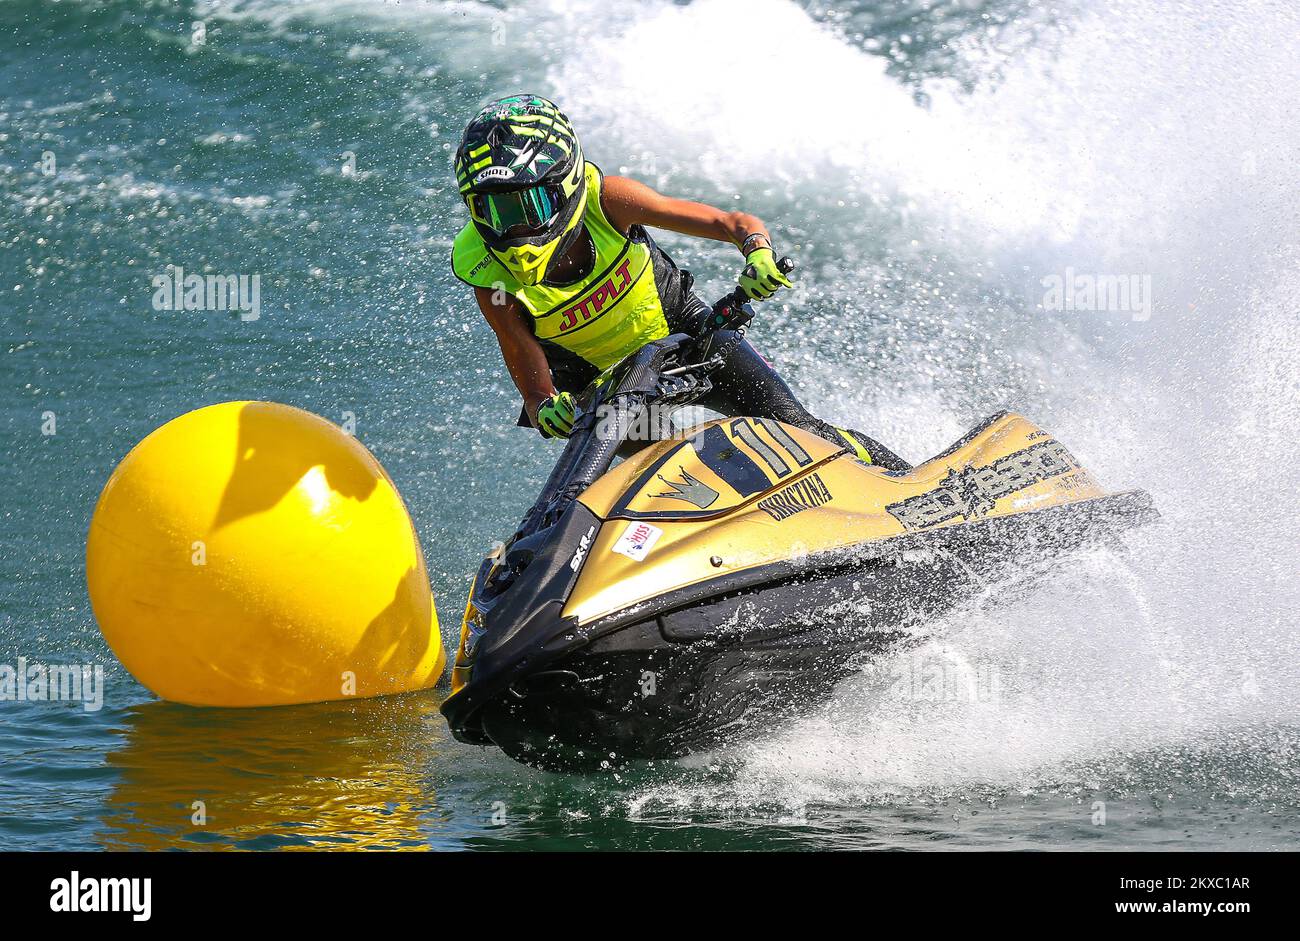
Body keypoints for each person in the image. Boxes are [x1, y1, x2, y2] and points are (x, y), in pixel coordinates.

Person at [450, 94, 909, 470]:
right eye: (489, 209)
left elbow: (732, 221)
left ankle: (909, 483)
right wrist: (544, 404)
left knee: (798, 431)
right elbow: (519, 350)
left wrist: (758, 253)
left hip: (692, 342)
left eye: (524, 207)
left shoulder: (610, 201)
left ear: (565, 184)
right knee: (678, 473)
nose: (511, 228)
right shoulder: (487, 272)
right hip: (609, 387)